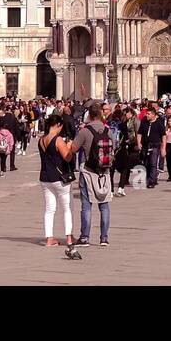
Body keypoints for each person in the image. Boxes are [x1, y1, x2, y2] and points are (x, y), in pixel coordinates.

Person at [72, 102, 113, 247]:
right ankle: (104, 238)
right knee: (104, 206)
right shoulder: (108, 131)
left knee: (87, 206)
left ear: (89, 115)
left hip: (88, 171)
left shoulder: (84, 131)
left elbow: (73, 149)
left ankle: (84, 238)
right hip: (104, 172)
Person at [38, 114, 76, 247]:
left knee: (49, 209)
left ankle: (49, 238)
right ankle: (69, 238)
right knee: (67, 208)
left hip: (45, 177)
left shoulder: (42, 139)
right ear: (58, 125)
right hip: (59, 178)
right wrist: (70, 147)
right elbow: (67, 157)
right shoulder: (58, 139)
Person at [137, 104, 166, 189]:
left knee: (153, 163)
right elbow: (139, 133)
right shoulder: (144, 122)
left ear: (153, 114)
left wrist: (163, 148)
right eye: (147, 114)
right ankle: (151, 178)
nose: (147, 115)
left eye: (148, 114)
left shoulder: (159, 123)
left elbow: (163, 136)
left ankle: (151, 181)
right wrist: (139, 143)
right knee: (146, 163)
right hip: (145, 145)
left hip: (155, 145)